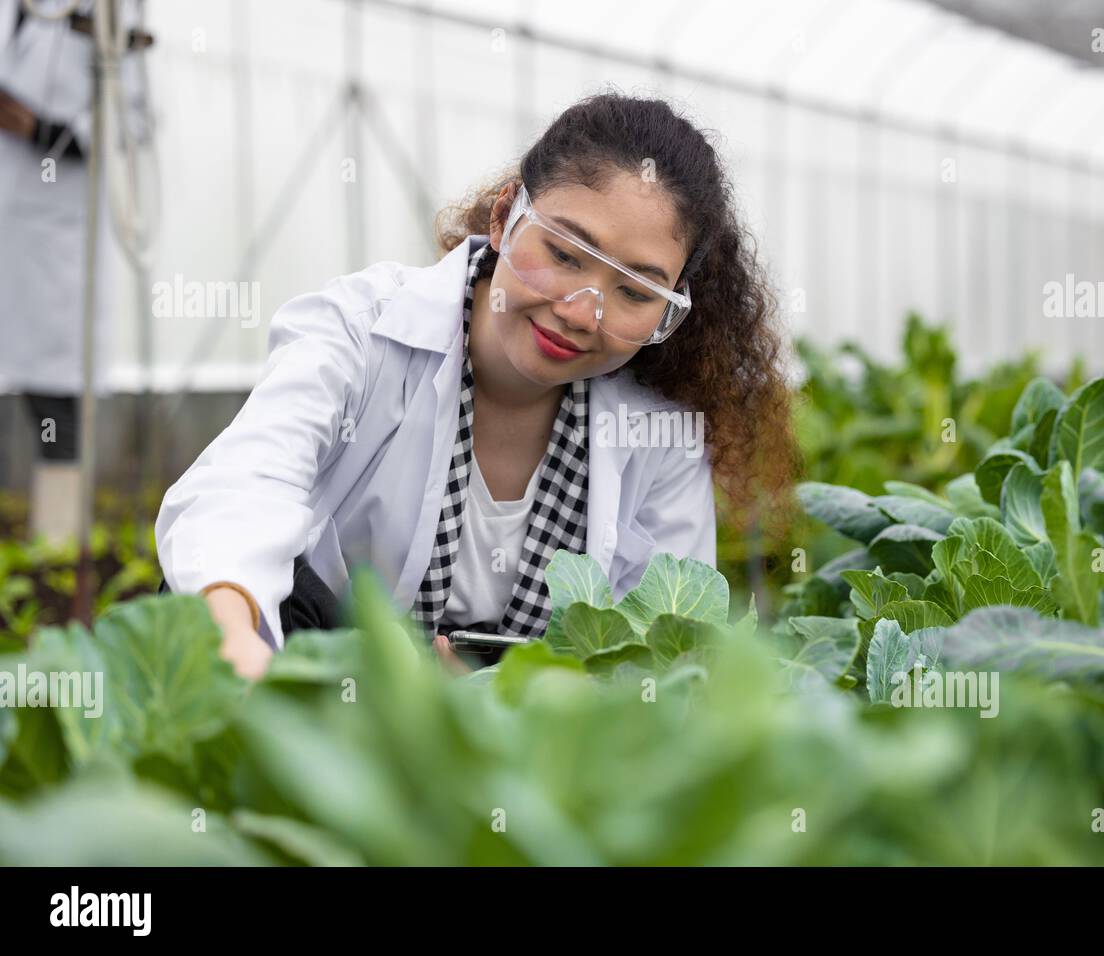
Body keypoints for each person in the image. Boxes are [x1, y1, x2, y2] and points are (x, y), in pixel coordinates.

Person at [155, 91, 799, 680]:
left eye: (633, 291)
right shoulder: (360, 330)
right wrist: (235, 639)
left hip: (523, 750)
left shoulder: (659, 431)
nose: (580, 311)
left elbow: (666, 651)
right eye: (565, 254)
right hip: (323, 696)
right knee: (202, 597)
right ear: (503, 220)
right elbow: (245, 484)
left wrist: (497, 702)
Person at [0, 0, 151, 542]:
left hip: (52, 228)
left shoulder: (111, 11)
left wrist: (38, 128)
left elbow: (132, 123)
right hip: (12, 222)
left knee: (54, 397)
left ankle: (58, 545)